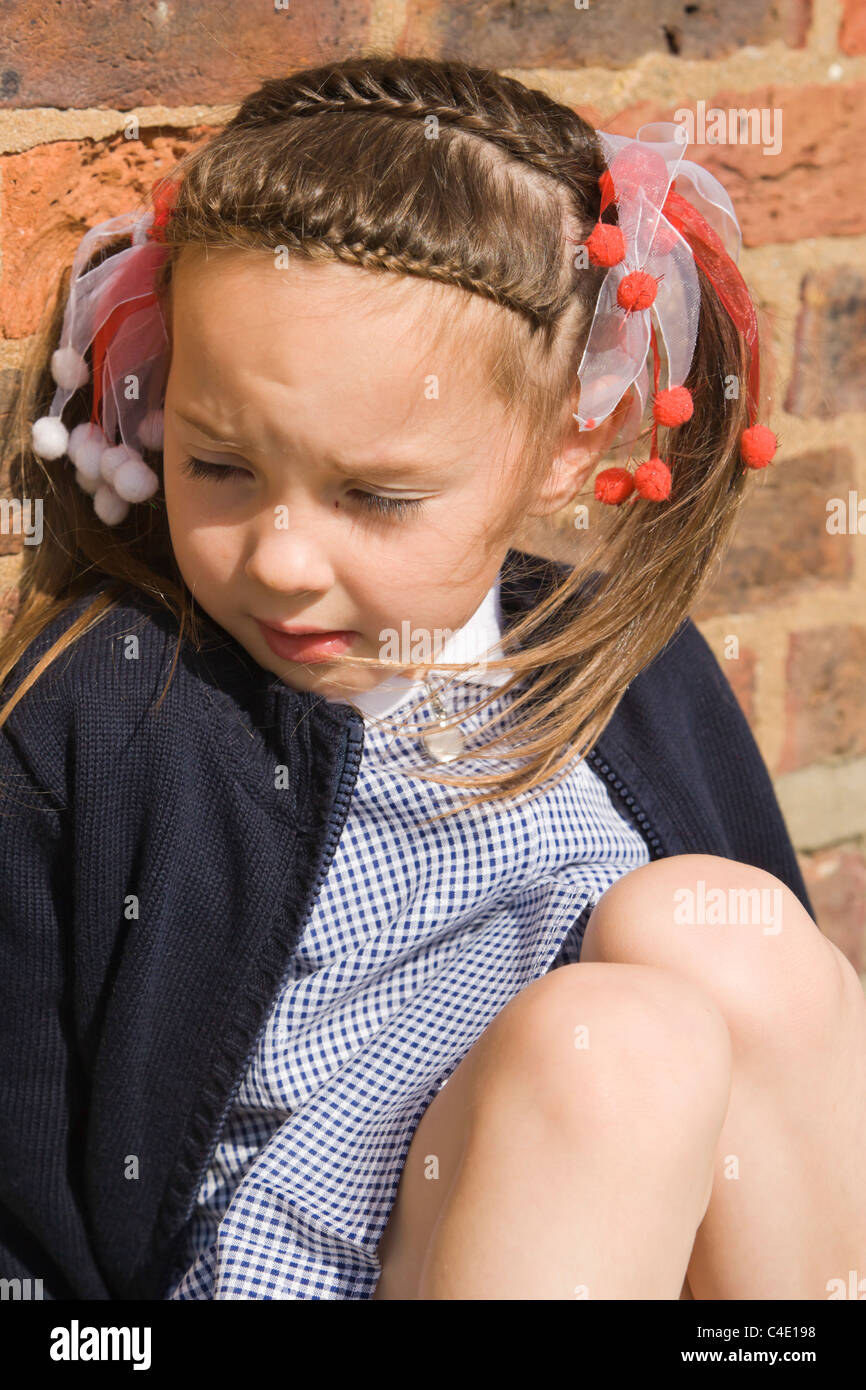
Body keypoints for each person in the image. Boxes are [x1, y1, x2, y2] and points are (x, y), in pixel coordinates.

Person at [1, 54, 863, 1303]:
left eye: (374, 495)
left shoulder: (618, 666)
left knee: (727, 946)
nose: (285, 559)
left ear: (568, 442)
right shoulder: (106, 721)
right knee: (607, 1048)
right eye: (220, 466)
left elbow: (793, 1091)